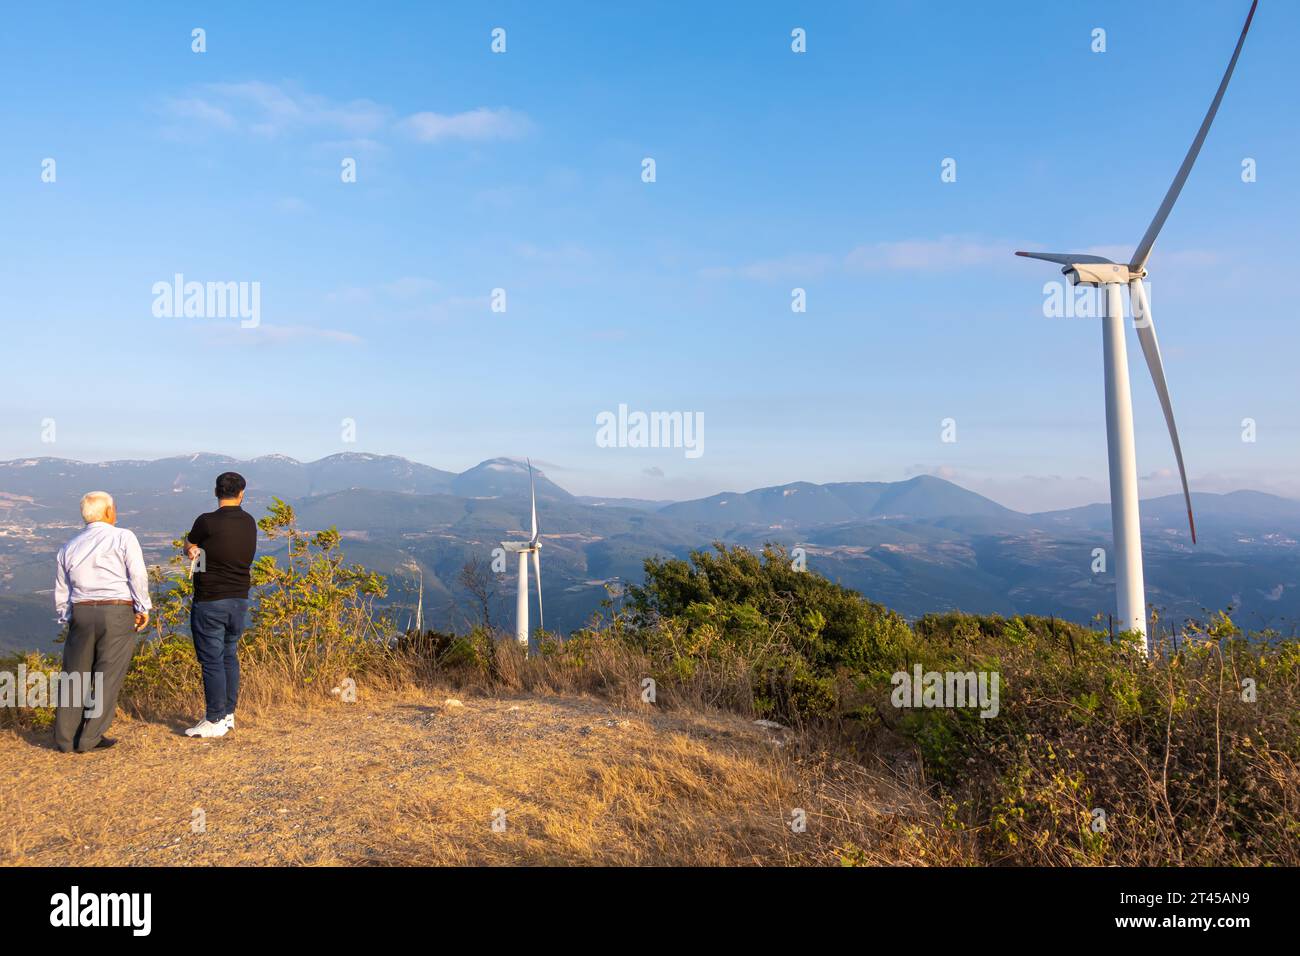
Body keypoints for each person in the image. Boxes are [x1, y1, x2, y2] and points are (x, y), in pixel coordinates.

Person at [52, 491, 151, 753]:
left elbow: (62, 591)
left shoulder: (69, 546)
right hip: (116, 611)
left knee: (74, 674)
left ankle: (64, 737)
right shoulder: (123, 537)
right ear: (109, 512)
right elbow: (137, 574)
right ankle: (90, 737)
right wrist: (142, 606)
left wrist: (68, 617)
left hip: (82, 612)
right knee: (109, 674)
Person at [182, 472, 257, 739]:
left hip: (210, 600)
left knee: (211, 660)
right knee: (229, 655)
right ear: (242, 493)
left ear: (216, 492)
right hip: (239, 599)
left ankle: (214, 718)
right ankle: (227, 715)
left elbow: (190, 542)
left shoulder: (207, 522)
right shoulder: (249, 522)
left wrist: (191, 548)